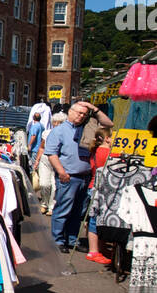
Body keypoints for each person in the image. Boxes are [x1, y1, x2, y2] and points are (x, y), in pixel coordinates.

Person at [45, 100, 113, 252]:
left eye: (84, 114)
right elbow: (51, 153)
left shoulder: (88, 127)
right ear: (70, 112)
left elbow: (108, 124)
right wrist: (61, 172)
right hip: (68, 176)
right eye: (79, 113)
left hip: (85, 176)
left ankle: (72, 240)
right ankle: (57, 240)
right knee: (63, 209)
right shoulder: (59, 130)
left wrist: (93, 108)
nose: (82, 116)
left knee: (78, 212)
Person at [85, 126, 113, 264]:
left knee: (96, 218)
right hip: (101, 188)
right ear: (107, 138)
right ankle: (93, 251)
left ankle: (98, 248)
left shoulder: (95, 150)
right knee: (96, 219)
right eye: (113, 136)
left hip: (93, 186)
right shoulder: (107, 152)